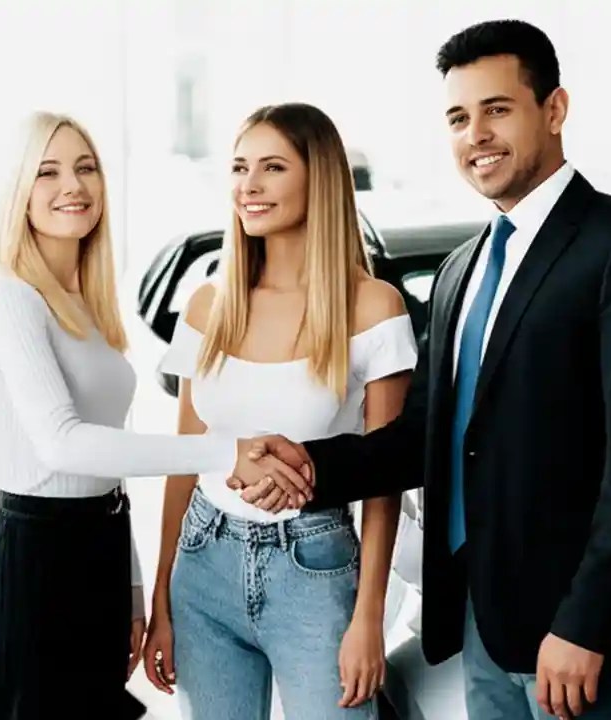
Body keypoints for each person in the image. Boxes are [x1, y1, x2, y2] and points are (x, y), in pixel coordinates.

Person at [236, 20, 611, 720]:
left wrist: (584, 622)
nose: (476, 133)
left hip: (577, 634)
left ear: (555, 109)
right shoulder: (461, 269)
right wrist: (309, 464)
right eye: (459, 117)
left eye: (497, 110)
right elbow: (423, 435)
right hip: (482, 618)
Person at [0, 110, 311, 720]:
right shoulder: (9, 297)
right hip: (33, 567)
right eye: (48, 172)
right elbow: (65, 445)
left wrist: (132, 584)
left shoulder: (83, 307)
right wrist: (224, 451)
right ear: (19, 191)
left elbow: (108, 458)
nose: (73, 185)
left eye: (85, 167)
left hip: (97, 551)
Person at [140, 103, 417, 719]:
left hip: (314, 573)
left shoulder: (373, 307)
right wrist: (162, 595)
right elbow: (183, 463)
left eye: (271, 167)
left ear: (317, 178)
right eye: (240, 167)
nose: (249, 185)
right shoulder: (208, 305)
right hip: (203, 565)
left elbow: (386, 478)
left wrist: (367, 617)